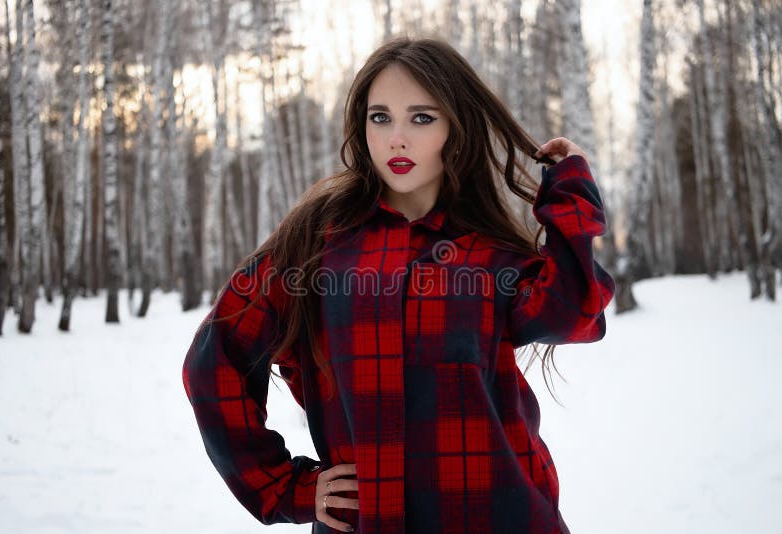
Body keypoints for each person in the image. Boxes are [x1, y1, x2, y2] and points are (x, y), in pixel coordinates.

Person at [182, 35, 615, 534]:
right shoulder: (315, 244)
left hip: (501, 514)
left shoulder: (491, 255)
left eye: (422, 118)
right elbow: (217, 359)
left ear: (456, 127)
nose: (397, 139)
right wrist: (283, 486)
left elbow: (576, 313)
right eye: (380, 117)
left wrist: (569, 190)